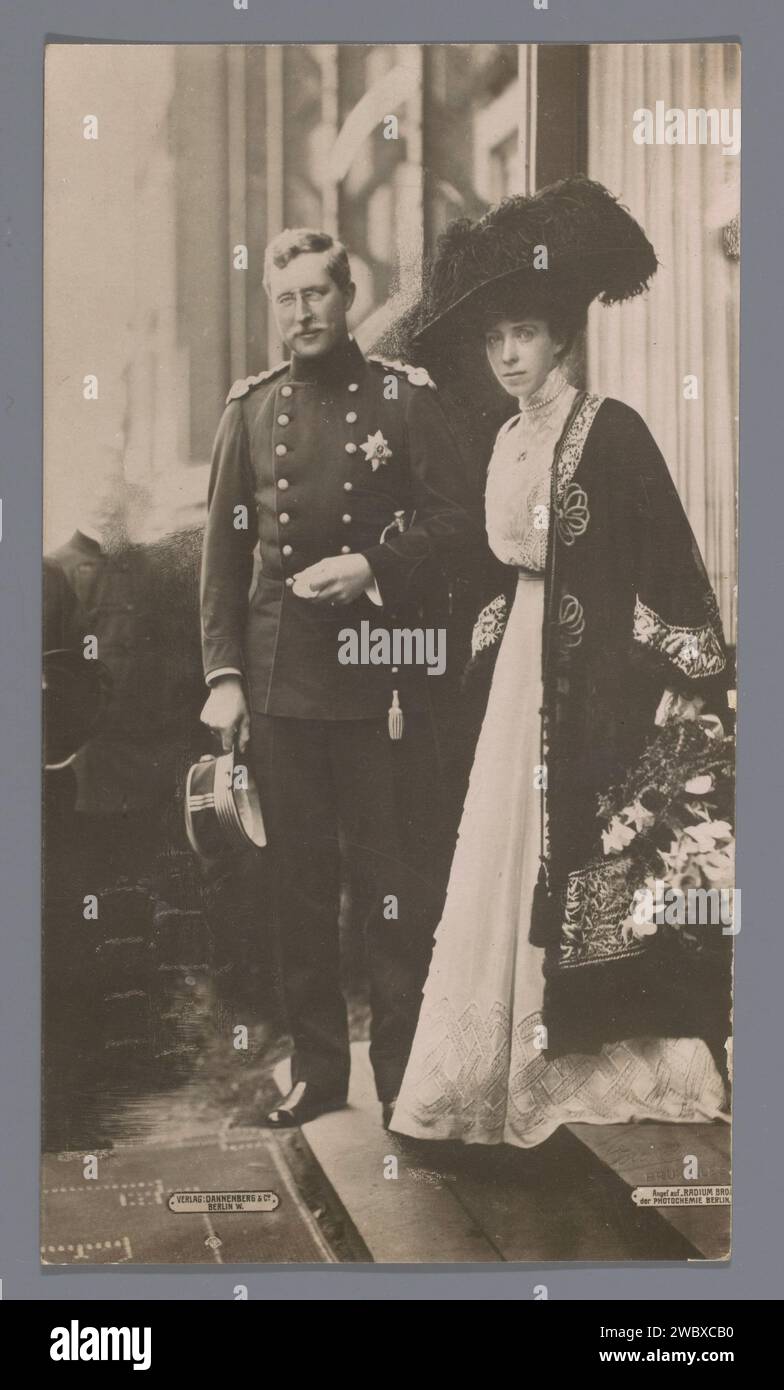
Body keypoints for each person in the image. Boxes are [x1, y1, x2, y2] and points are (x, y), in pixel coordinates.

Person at [390, 176, 732, 1147]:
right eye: (495, 337)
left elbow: (660, 562)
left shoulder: (610, 432)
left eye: (527, 335)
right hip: (517, 689)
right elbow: (506, 566)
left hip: (592, 686)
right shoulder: (502, 440)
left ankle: (603, 1067)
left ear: (562, 339)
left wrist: (653, 659)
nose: (508, 355)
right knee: (499, 860)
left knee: (580, 855)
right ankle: (489, 1079)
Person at [199, 228, 481, 1128]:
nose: (302, 313)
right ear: (272, 309)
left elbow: (461, 527)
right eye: (285, 299)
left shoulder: (404, 399)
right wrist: (226, 676)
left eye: (317, 293)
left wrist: (374, 565)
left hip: (384, 678)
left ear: (349, 295)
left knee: (393, 884)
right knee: (300, 886)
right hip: (282, 685)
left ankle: (401, 1077)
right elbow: (222, 560)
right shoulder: (250, 409)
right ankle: (321, 1074)